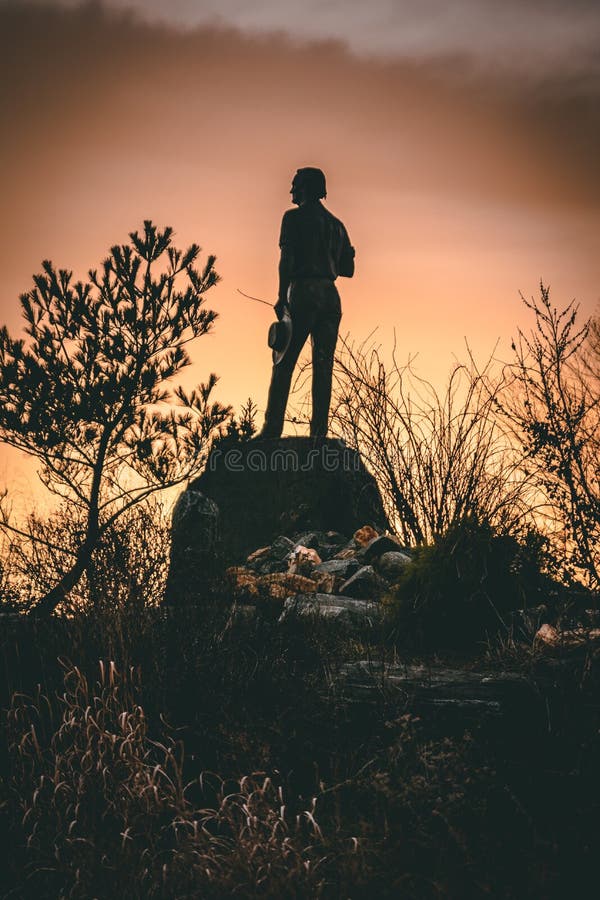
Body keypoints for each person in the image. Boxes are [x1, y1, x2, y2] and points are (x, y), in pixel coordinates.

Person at [258, 167, 355, 438]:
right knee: (324, 367)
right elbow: (348, 270)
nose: (291, 191)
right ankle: (318, 434)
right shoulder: (337, 225)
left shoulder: (293, 218)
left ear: (304, 188)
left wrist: (280, 295)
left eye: (295, 185)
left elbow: (286, 259)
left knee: (284, 360)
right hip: (330, 296)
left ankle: (272, 428)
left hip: (302, 292)